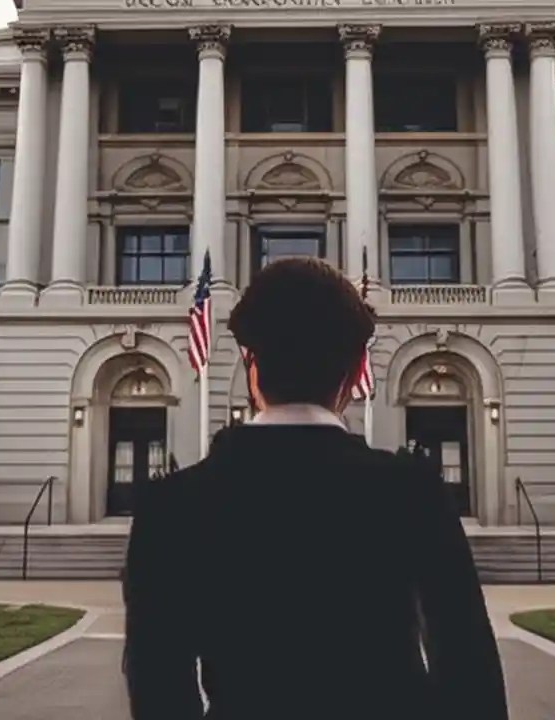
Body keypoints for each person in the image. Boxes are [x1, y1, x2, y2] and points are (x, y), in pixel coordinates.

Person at [124, 258, 508, 720]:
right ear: (356, 370)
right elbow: (469, 672)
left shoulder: (171, 506)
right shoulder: (413, 492)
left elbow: (158, 687)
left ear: (251, 365)